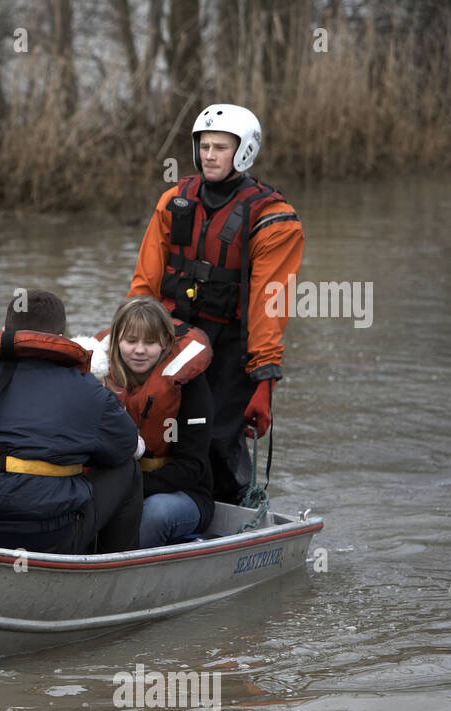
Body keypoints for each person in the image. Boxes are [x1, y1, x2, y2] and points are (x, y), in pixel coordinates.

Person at [128, 103, 304, 503]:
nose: (209, 154)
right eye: (204, 145)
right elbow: (145, 284)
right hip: (171, 339)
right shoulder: (173, 202)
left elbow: (268, 304)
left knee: (214, 440)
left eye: (220, 147)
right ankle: (153, 507)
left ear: (242, 152)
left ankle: (228, 511)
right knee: (152, 429)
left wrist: (265, 381)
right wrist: (130, 337)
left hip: (230, 350)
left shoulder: (273, 218)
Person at [0, 290, 142, 554]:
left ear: (4, 331)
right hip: (49, 536)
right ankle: (113, 568)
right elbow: (126, 444)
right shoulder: (87, 390)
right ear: (61, 338)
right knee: (127, 468)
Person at [100, 297, 214, 548]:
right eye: (131, 341)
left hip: (185, 494)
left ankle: (128, 578)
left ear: (165, 341)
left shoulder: (190, 384)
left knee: (153, 513)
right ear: (116, 340)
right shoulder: (98, 380)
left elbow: (191, 466)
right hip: (117, 486)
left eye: (150, 342)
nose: (139, 350)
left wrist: (127, 493)